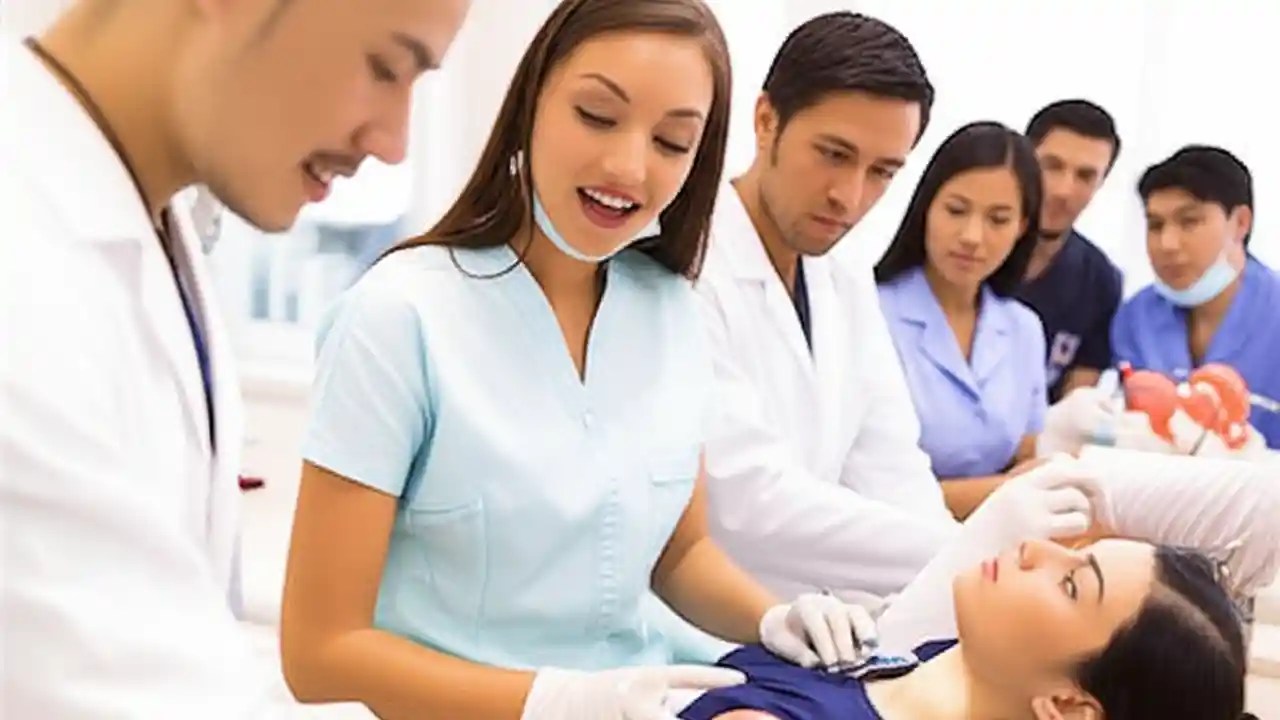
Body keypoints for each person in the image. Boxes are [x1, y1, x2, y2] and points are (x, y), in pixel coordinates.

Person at [279, 2, 878, 719]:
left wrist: (774, 618)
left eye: (672, 141)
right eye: (597, 116)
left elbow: (678, 554)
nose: (629, 167)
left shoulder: (671, 311)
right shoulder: (398, 316)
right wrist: (554, 700)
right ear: (531, 100)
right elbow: (320, 653)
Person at [0, 0, 470, 717]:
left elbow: (164, 652)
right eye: (385, 67)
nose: (394, 142)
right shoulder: (22, 272)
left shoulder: (151, 225)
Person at [675, 446, 1280, 720]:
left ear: (1068, 707)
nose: (1035, 549)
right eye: (1077, 551)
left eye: (1072, 585)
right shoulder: (930, 656)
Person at [696, 10, 959, 611]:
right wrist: (966, 555)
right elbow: (745, 500)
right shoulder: (686, 268)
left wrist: (968, 572)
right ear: (766, 120)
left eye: (882, 172)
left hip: (819, 618)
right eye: (834, 154)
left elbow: (891, 465)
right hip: (702, 623)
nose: (851, 196)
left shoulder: (844, 277)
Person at [875, 122, 1049, 519]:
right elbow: (869, 489)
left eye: (998, 219)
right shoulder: (871, 312)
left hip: (996, 539)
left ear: (1022, 227)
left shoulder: (1023, 328)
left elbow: (1027, 455)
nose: (972, 236)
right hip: (890, 538)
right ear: (926, 208)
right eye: (956, 211)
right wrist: (1006, 492)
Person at [1111, 145, 1280, 449]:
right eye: (1155, 225)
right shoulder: (1135, 319)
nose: (1168, 244)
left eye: (1189, 222)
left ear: (1240, 223)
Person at [1015, 100, 1125, 402]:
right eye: (1051, 166)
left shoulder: (1100, 282)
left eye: (1085, 176)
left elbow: (1074, 409)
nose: (1064, 190)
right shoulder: (969, 249)